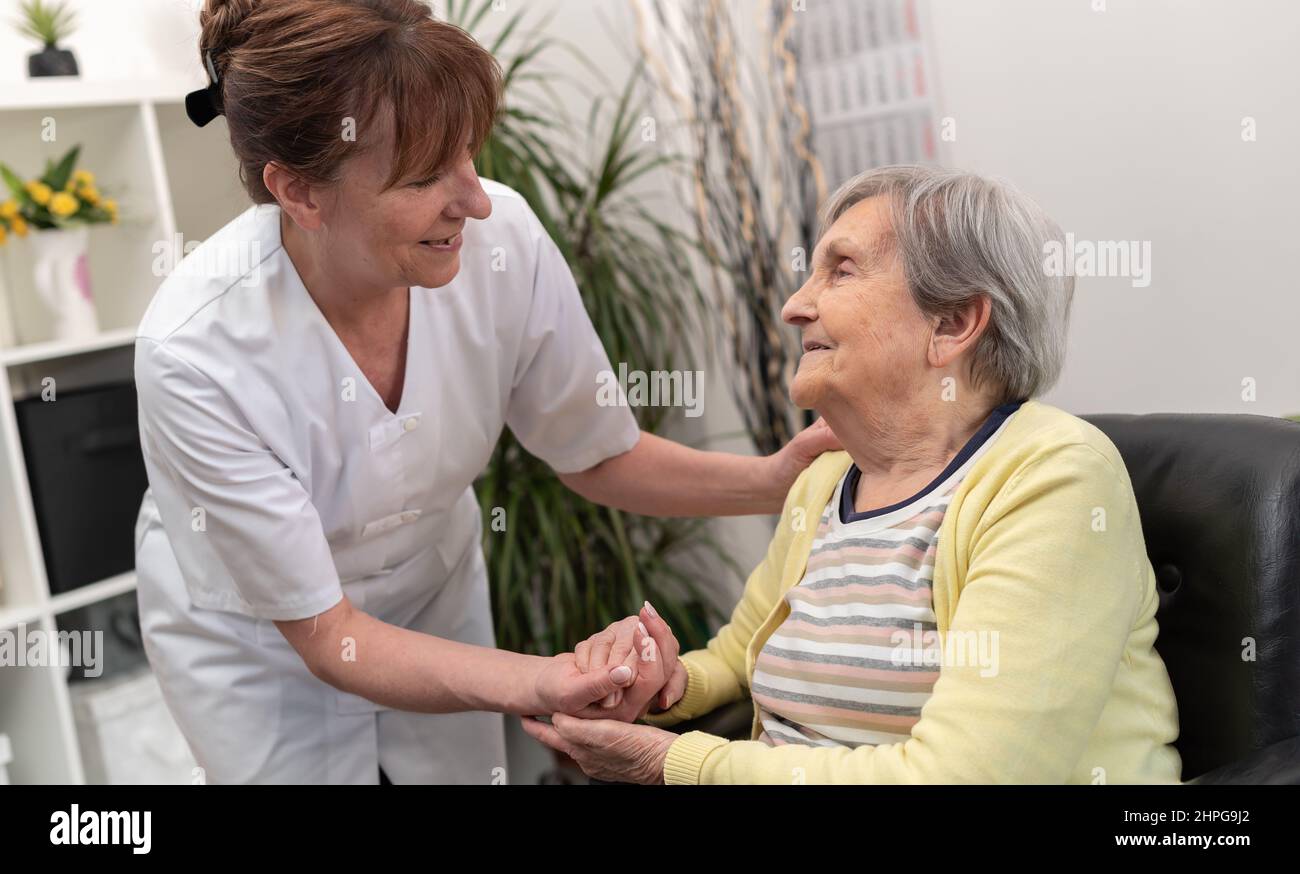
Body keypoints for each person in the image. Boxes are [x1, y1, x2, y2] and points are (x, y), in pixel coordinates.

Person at [134, 0, 836, 784]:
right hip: (262, 641)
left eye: (470, 154)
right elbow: (331, 638)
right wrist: (543, 680)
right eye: (426, 174)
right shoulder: (197, 351)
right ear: (299, 191)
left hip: (430, 584)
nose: (473, 199)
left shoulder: (501, 240)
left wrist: (776, 480)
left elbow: (597, 455)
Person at [526, 165, 1184, 785]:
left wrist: (683, 764)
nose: (794, 307)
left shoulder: (1053, 480)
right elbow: (738, 656)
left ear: (952, 324)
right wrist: (658, 682)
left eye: (839, 272)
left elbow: (962, 775)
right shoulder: (828, 479)